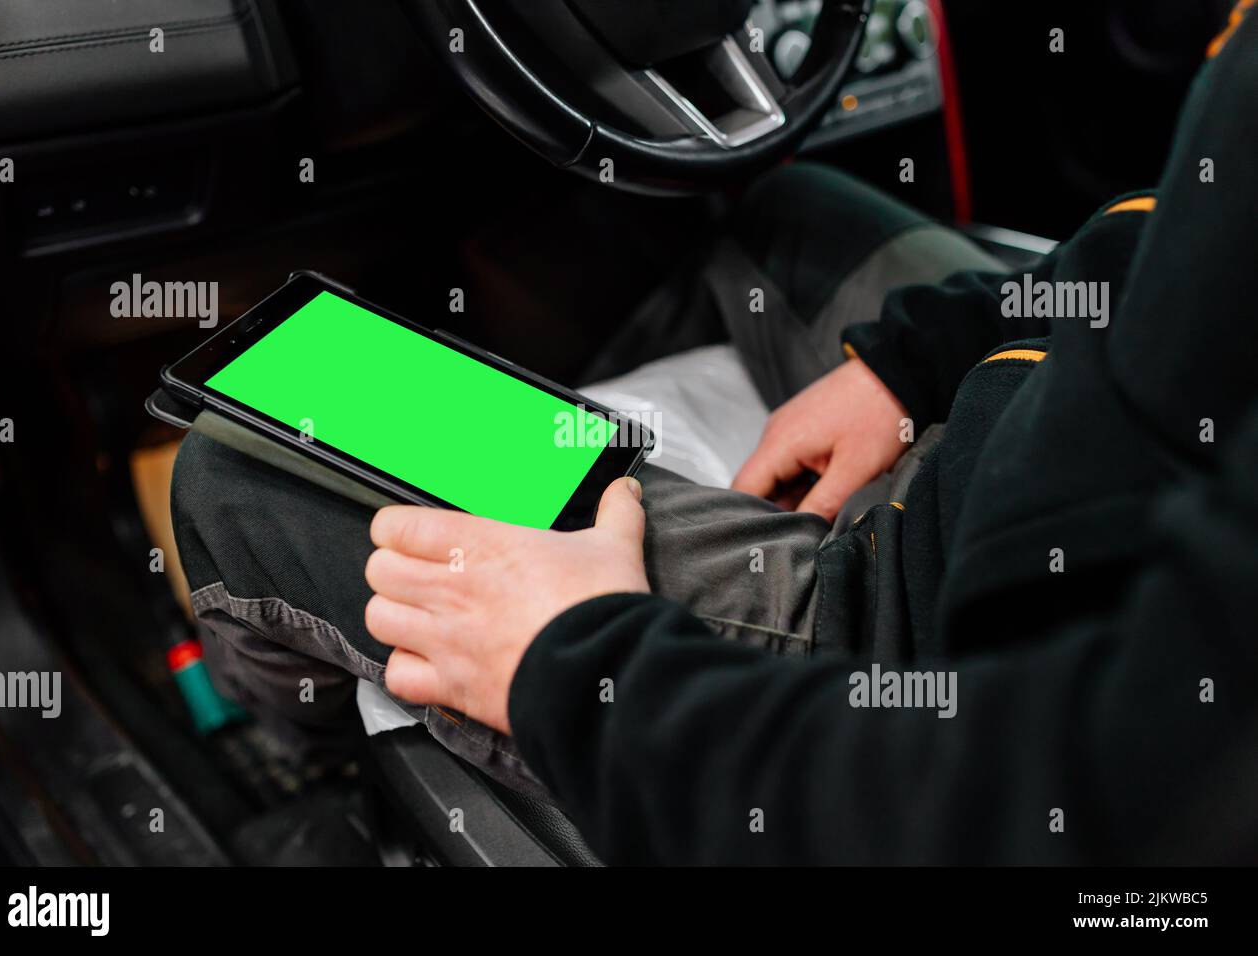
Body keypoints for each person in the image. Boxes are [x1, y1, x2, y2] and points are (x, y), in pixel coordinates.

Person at [172, 6, 1258, 864]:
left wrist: (580, 661)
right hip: (1025, 444)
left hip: (922, 654)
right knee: (782, 220)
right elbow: (1187, 253)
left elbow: (1062, 809)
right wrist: (924, 356)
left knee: (235, 469)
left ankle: (333, 783)